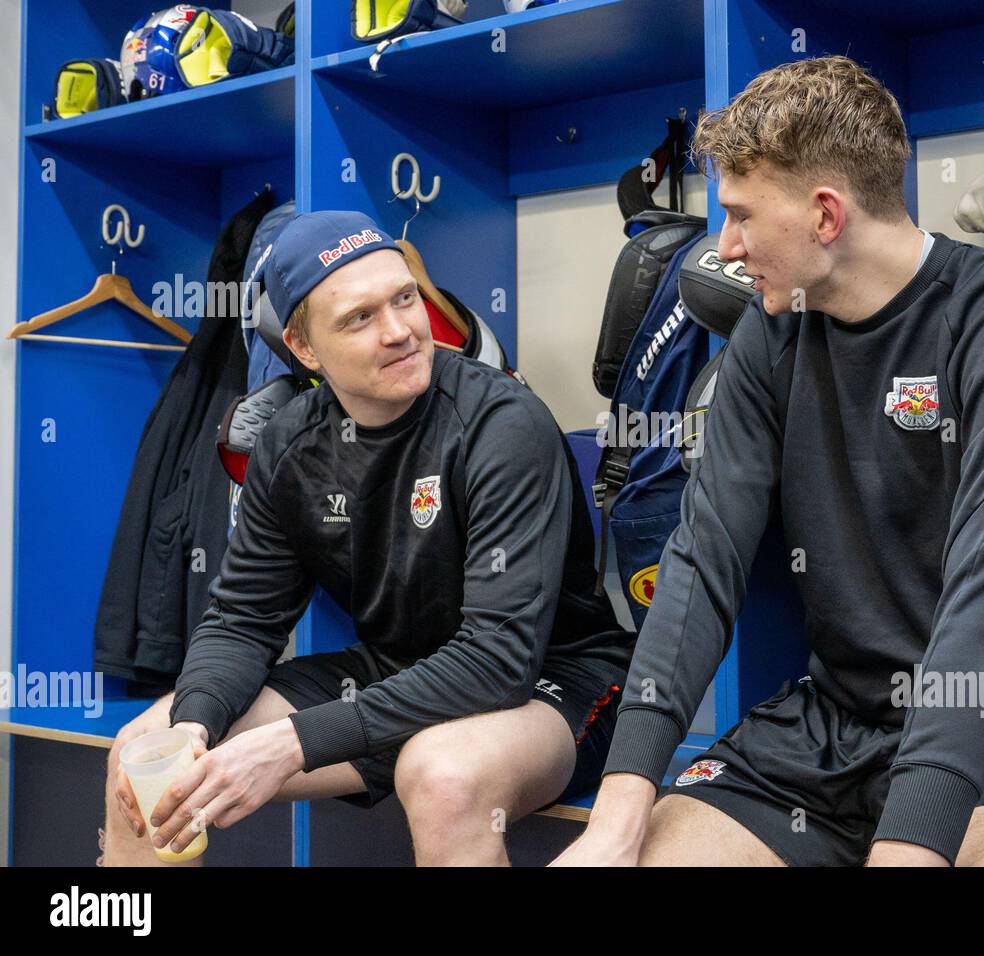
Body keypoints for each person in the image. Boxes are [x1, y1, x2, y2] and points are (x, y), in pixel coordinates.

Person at [554, 55, 984, 867]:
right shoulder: (773, 328)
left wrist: (910, 845)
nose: (721, 249)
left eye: (737, 216)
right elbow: (701, 562)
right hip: (836, 726)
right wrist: (618, 817)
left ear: (825, 215)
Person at [103, 210, 634, 866]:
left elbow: (499, 661)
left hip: (554, 680)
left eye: (404, 298)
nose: (401, 332)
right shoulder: (290, 443)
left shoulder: (501, 422)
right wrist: (196, 721)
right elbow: (242, 619)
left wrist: (294, 743)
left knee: (441, 777)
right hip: (397, 670)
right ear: (302, 347)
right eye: (359, 317)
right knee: (143, 756)